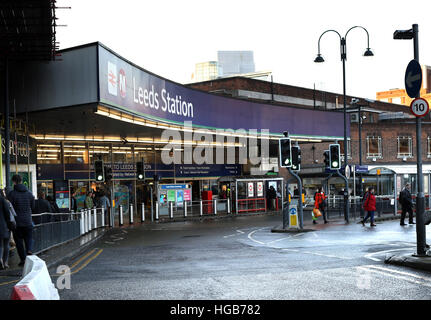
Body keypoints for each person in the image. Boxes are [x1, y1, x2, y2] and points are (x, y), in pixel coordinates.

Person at [7, 174, 35, 267]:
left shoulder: (11, 194)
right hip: (28, 220)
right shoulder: (29, 193)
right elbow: (33, 206)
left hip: (17, 222)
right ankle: (29, 250)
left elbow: (9, 208)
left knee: (18, 242)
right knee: (29, 237)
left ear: (14, 182)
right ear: (22, 181)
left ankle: (23, 259)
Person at [0, 189, 13, 270]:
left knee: (0, 245)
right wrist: (9, 225)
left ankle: (0, 258)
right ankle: (5, 262)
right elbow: (8, 214)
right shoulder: (4, 201)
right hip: (4, 226)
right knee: (6, 244)